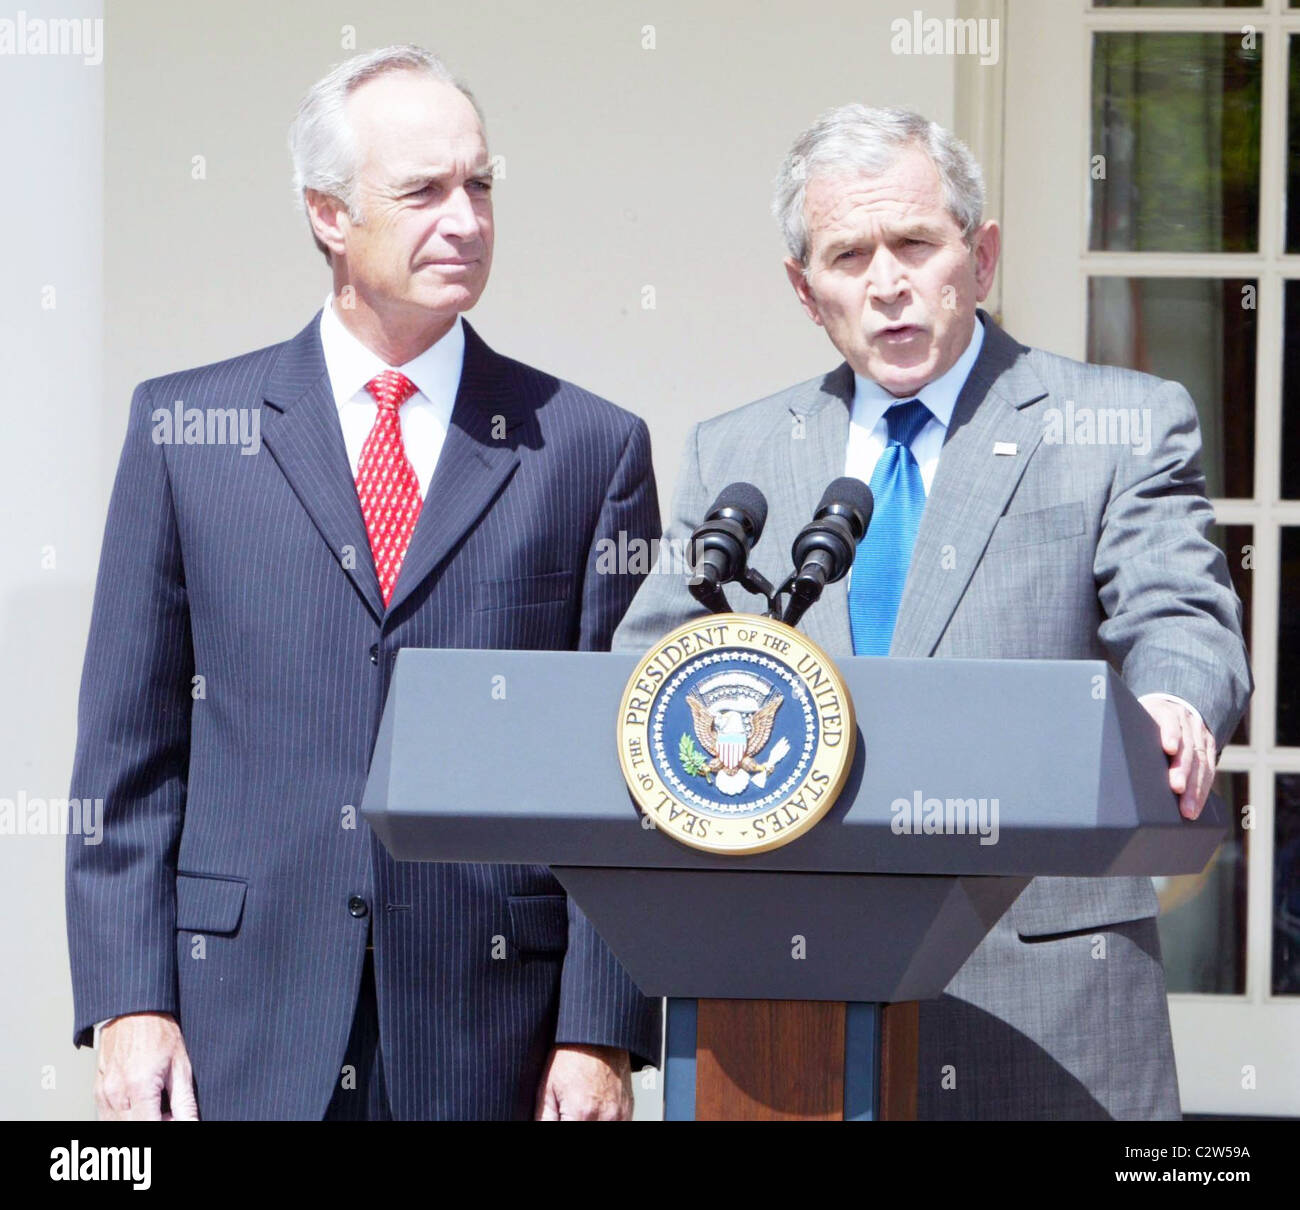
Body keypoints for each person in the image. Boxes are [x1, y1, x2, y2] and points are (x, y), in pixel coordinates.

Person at [612, 104, 1251, 1120]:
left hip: (1043, 988)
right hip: (788, 995)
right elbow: (650, 665)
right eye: (847, 256)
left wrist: (1175, 702)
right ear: (804, 290)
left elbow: (1178, 611)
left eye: (914, 244)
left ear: (980, 257)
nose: (886, 282)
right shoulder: (737, 453)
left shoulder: (1114, 425)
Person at [66, 45, 660, 1121]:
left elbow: (618, 782)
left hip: (495, 1038)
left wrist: (598, 1027)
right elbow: (128, 757)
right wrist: (129, 1002)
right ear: (328, 214)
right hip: (242, 1022)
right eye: (423, 190)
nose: (466, 219)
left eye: (480, 184)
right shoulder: (188, 432)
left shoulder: (587, 448)